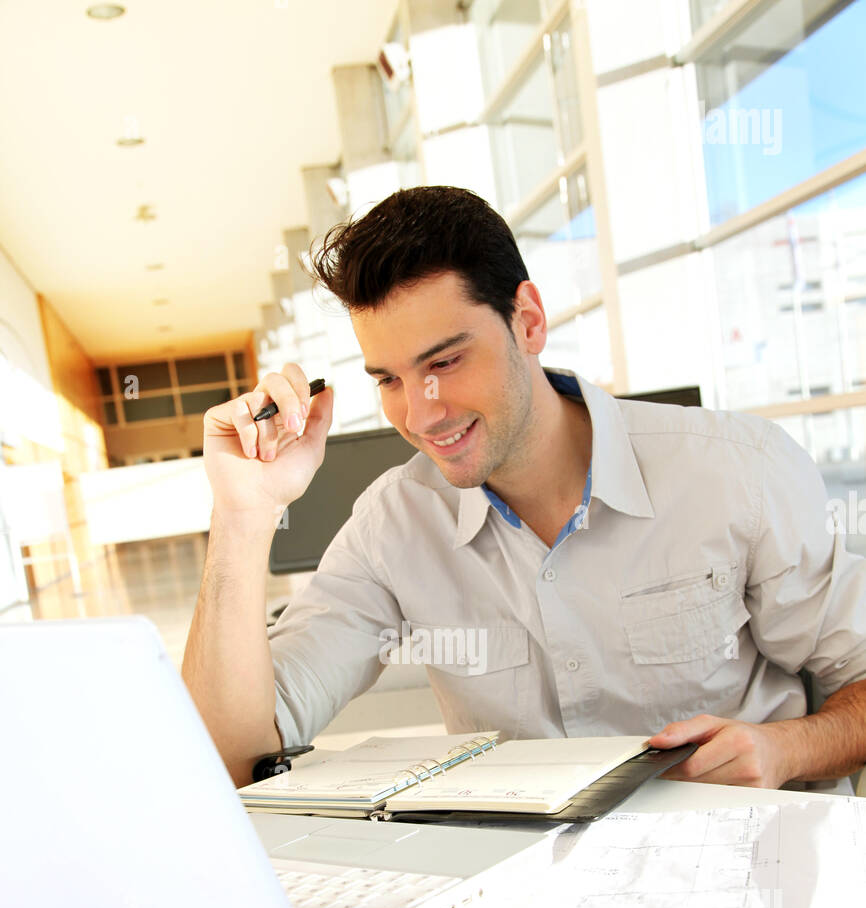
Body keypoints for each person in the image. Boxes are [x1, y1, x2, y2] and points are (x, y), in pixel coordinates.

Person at [182, 185, 866, 792]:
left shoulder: (735, 471)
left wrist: (785, 748)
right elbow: (229, 760)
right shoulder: (394, 528)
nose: (420, 415)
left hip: (751, 891)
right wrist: (243, 514)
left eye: (445, 361)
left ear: (529, 321)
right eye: (387, 379)